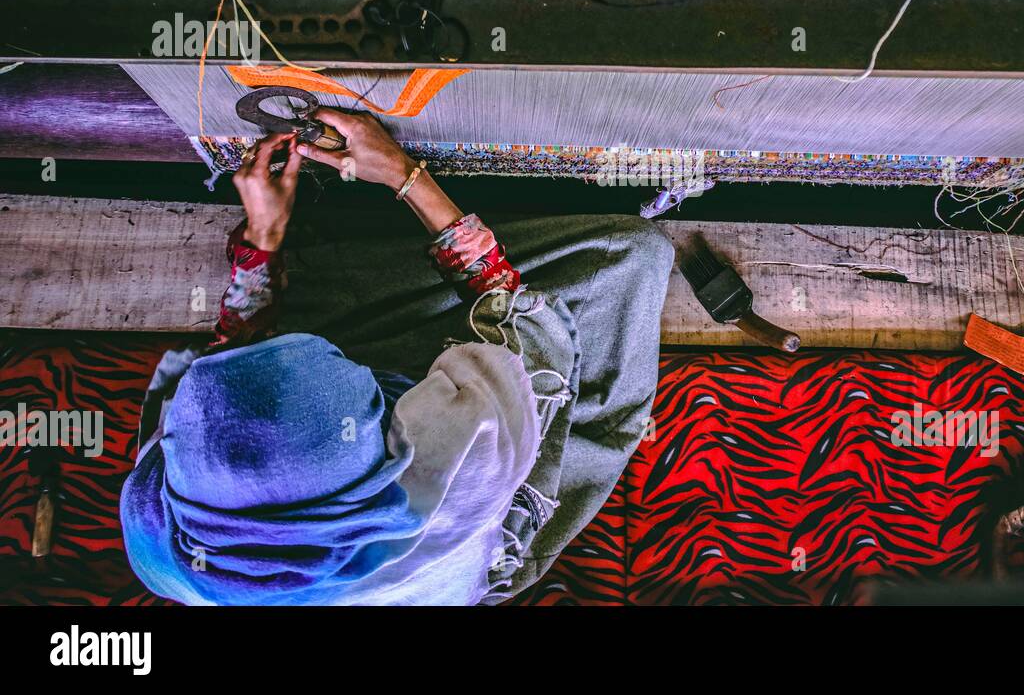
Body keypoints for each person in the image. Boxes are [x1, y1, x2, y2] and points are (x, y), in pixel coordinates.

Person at [121, 109, 674, 605]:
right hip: (468, 517)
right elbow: (513, 323)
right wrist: (405, 177)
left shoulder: (168, 521)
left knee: (315, 275)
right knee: (634, 257)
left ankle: (330, 315)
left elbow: (230, 382)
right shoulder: (463, 481)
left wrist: (260, 245)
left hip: (365, 416)